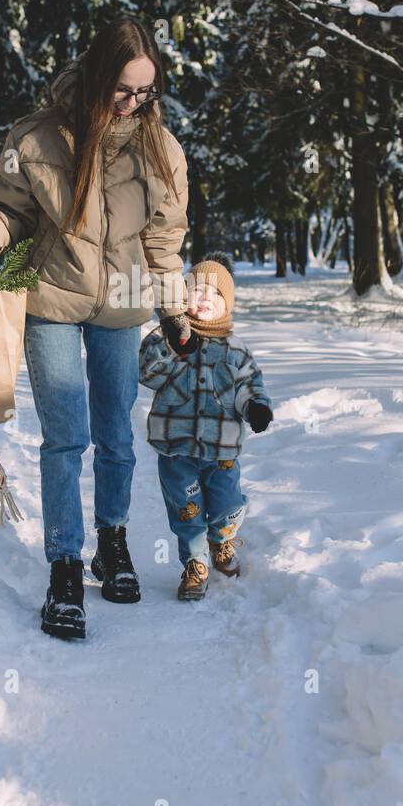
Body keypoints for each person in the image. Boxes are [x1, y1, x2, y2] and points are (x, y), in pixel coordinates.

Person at [0, 15, 191, 640]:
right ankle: (65, 567)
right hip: (51, 298)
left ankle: (112, 542)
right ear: (99, 75)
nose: (134, 104)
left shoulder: (160, 148)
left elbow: (164, 238)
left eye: (146, 92)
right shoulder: (37, 137)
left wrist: (175, 308)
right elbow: (6, 212)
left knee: (116, 436)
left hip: (124, 304)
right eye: (124, 90)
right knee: (65, 437)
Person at [138, 252, 273, 601]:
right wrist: (173, 343)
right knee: (187, 510)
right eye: (197, 290)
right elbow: (147, 373)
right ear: (184, 295)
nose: (204, 299)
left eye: (215, 294)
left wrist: (256, 407)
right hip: (176, 448)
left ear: (227, 304)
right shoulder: (167, 337)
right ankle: (195, 562)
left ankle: (222, 541)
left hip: (222, 450)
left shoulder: (236, 351)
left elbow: (249, 385)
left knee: (228, 504)